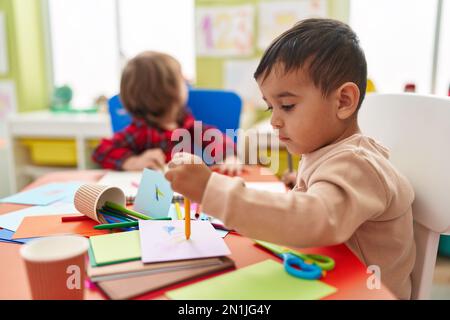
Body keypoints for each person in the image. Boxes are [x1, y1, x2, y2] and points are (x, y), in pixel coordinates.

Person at [165, 19, 416, 299]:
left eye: (287, 106)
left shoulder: (356, 162)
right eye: (271, 106)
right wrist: (303, 183)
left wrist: (210, 189)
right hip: (334, 278)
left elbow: (315, 218)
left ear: (343, 101)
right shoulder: (329, 152)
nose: (274, 120)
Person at [92, 51, 241, 174]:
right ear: (170, 91)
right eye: (181, 80)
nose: (187, 83)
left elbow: (216, 139)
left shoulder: (188, 125)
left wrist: (228, 157)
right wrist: (133, 161)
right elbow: (101, 151)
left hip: (191, 197)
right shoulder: (140, 132)